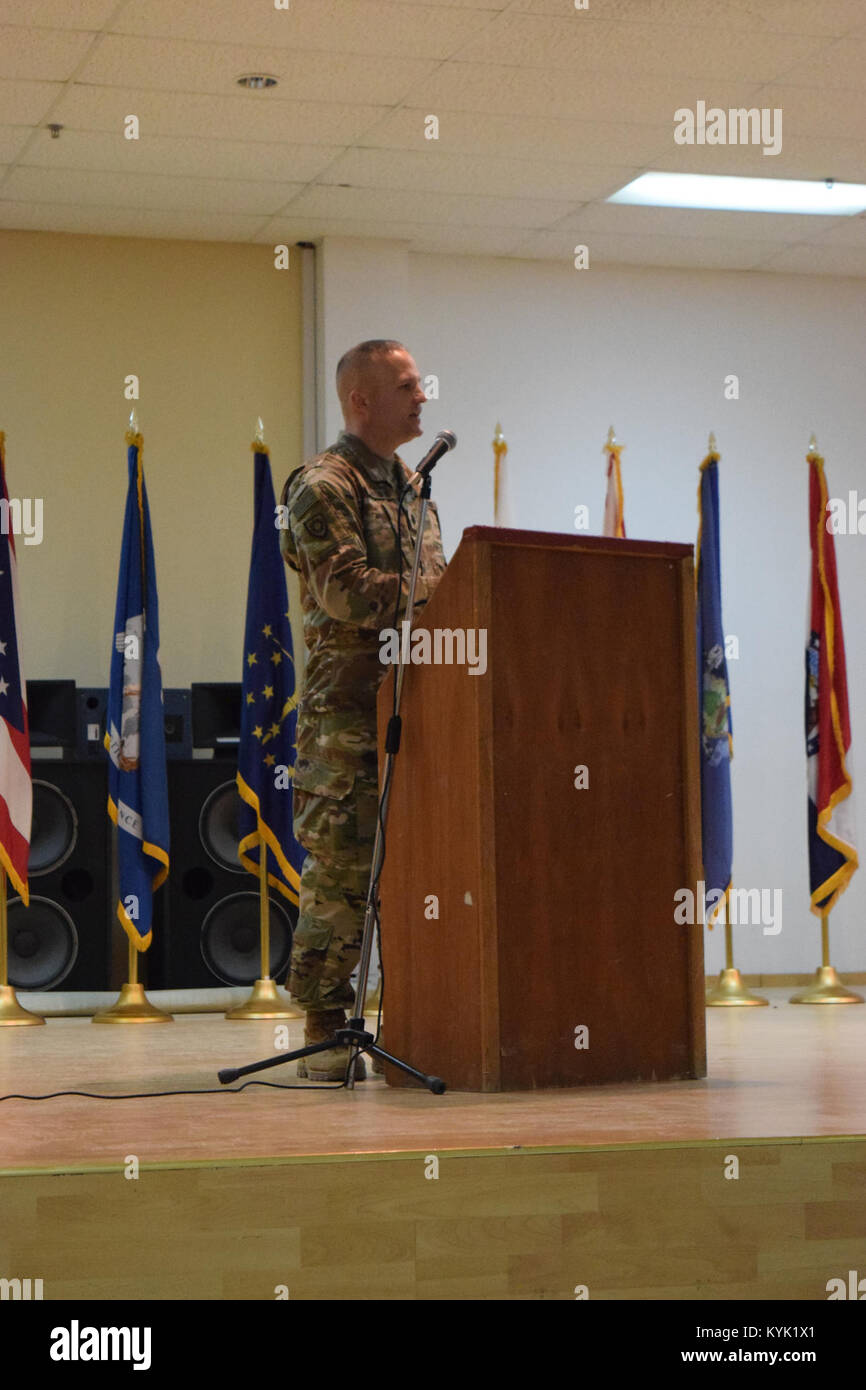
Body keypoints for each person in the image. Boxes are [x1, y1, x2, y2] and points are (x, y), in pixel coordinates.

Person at [279, 339, 448, 1080]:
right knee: (345, 869)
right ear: (361, 400)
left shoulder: (411, 483)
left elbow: (440, 580)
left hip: (420, 704)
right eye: (408, 386)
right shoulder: (321, 484)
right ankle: (324, 1026)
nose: (423, 398)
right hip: (345, 711)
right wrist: (432, 596)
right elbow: (345, 593)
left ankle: (413, 1015)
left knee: (414, 866)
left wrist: (438, 596)